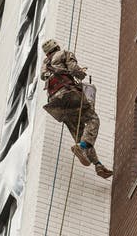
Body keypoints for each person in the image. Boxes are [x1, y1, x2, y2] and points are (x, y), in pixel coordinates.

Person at [41, 38, 113, 179]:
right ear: (56, 46)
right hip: (69, 94)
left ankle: (97, 164)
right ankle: (83, 148)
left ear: (47, 53)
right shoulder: (64, 53)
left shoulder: (45, 64)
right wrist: (81, 73)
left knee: (81, 137)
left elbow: (44, 77)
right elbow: (74, 70)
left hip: (56, 104)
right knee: (93, 119)